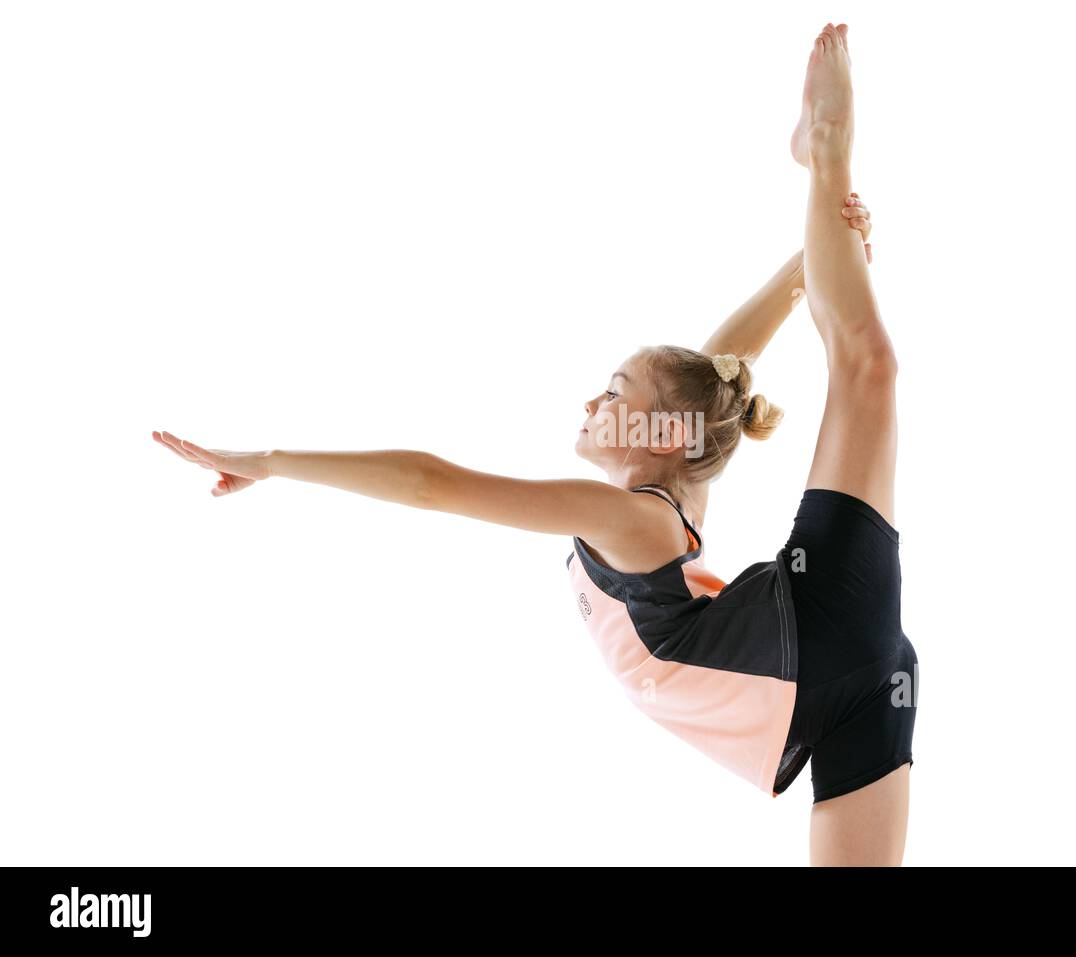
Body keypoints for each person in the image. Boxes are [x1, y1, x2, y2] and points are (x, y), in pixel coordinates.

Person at [153, 22, 917, 866]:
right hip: (840, 695)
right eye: (612, 388)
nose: (594, 400)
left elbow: (442, 479)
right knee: (865, 365)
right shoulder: (654, 516)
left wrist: (813, 255)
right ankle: (821, 173)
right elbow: (705, 380)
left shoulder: (639, 519)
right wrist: (802, 265)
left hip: (823, 629)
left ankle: (829, 147)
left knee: (866, 365)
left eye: (612, 392)